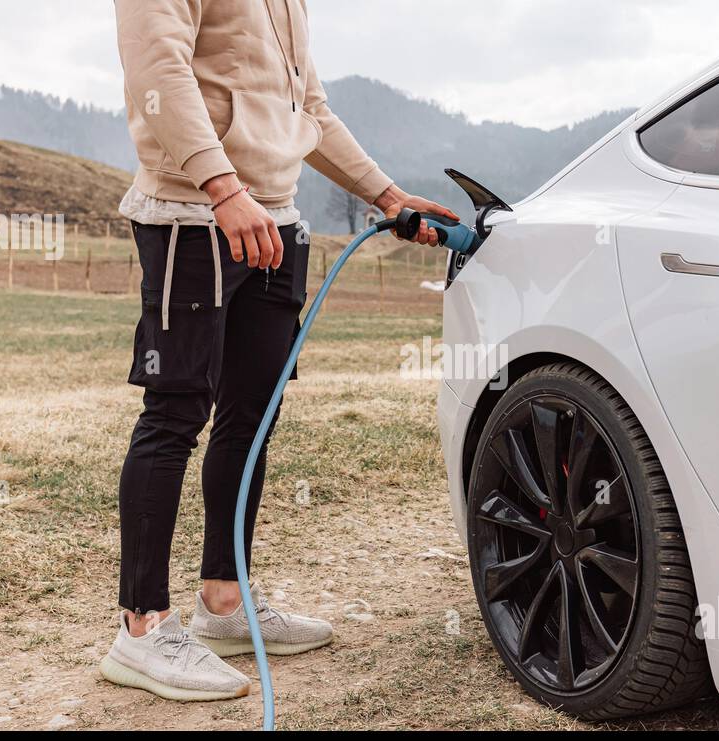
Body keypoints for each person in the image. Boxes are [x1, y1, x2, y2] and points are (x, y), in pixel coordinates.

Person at [100, 0, 460, 701]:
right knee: (174, 414)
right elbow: (156, 68)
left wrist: (385, 195)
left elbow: (309, 108)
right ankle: (141, 630)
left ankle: (223, 604)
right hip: (192, 215)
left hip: (278, 221)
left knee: (250, 417)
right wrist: (223, 186)